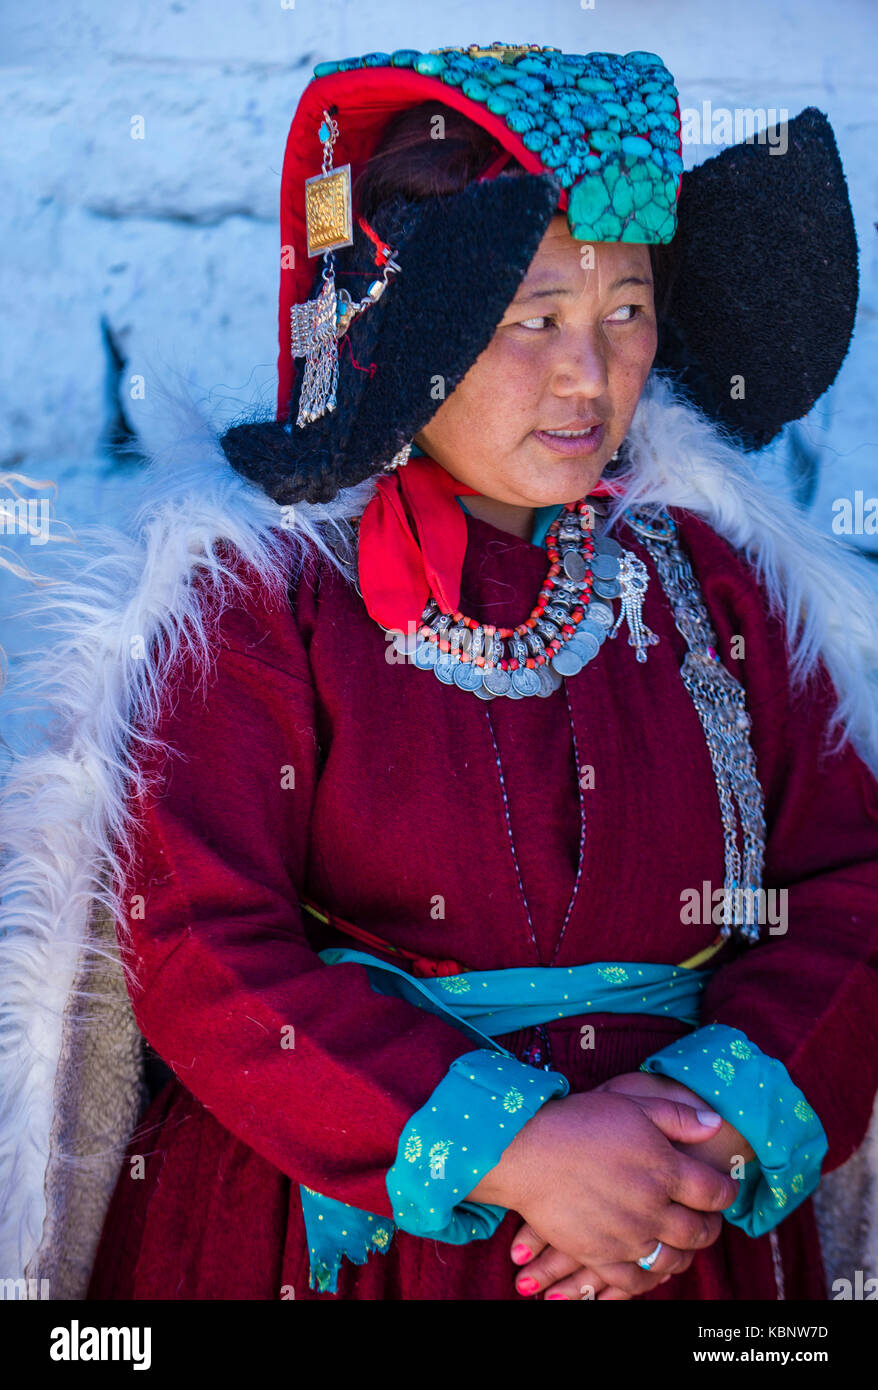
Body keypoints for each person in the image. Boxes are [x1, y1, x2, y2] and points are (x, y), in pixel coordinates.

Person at [2, 42, 876, 1303]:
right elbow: (202, 944)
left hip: (682, 1236)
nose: (589, 373)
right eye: (531, 318)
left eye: (623, 309)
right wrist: (521, 1149)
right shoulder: (260, 602)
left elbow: (844, 888)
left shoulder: (715, 592)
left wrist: (704, 1127)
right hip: (351, 1244)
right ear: (400, 326)